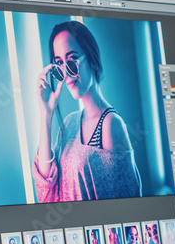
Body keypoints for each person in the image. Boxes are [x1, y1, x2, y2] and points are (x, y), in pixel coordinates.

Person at [33, 21, 141, 203]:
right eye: (59, 64)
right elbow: (46, 194)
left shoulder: (110, 124)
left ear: (90, 57)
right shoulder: (69, 123)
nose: (67, 73)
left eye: (72, 60)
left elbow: (127, 205)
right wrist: (46, 114)